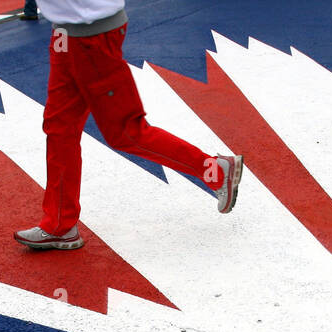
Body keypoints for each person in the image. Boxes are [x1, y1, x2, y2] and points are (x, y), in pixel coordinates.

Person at [14, 0, 242, 251]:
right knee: (60, 127)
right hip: (67, 33)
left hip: (91, 35)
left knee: (126, 131)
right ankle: (60, 224)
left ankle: (215, 170)